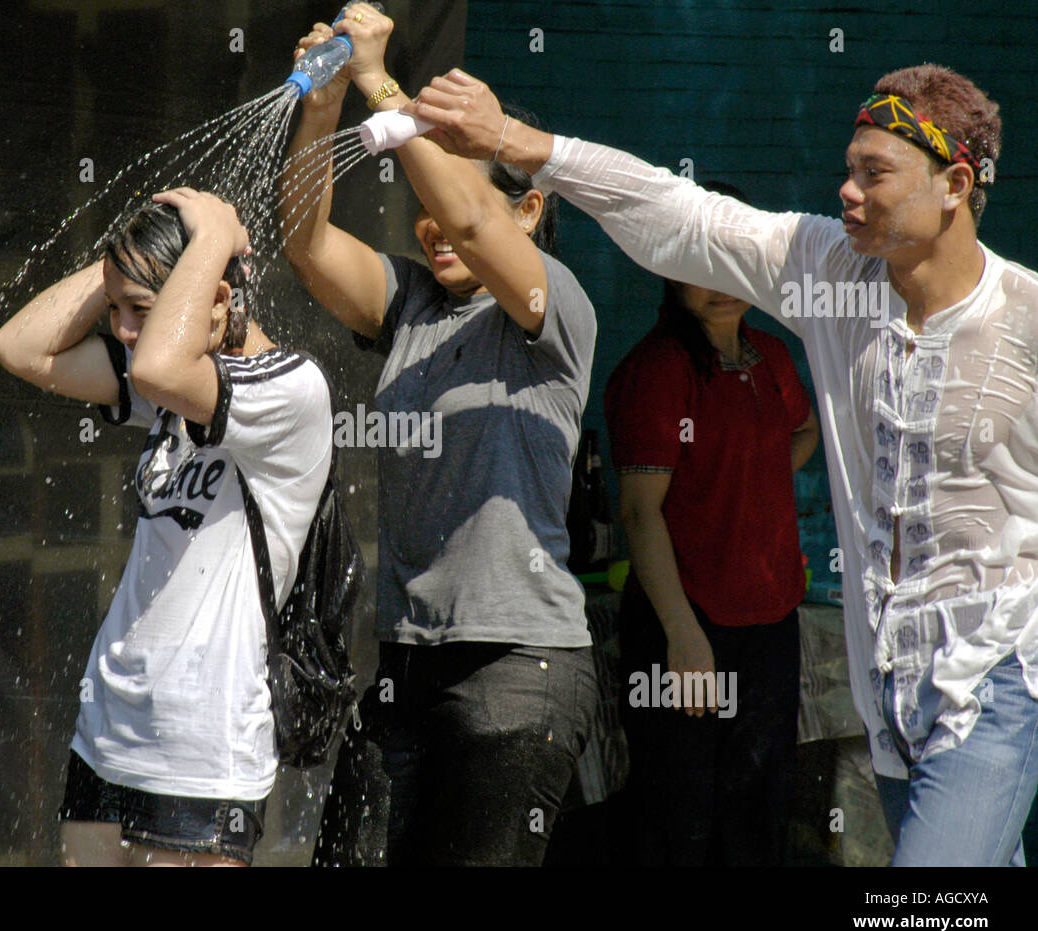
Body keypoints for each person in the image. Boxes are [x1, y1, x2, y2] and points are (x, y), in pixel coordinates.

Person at [408, 64, 1038, 866]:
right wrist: (518, 144)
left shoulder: (1026, 320)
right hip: (890, 694)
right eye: (848, 168)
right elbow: (681, 216)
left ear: (954, 183)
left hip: (996, 676)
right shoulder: (829, 273)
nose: (847, 190)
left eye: (874, 173)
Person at [279, 5, 599, 866]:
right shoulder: (411, 303)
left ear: (527, 209)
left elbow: (469, 223)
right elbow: (304, 245)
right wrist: (325, 98)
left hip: (519, 667)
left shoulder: (552, 305)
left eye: (451, 182)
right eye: (420, 199)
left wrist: (384, 84)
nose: (432, 217)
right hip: (406, 658)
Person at [0, 189, 332, 866]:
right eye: (116, 311)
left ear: (220, 298)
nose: (121, 328)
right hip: (110, 726)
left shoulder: (291, 390)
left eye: (141, 311)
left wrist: (208, 241)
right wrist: (129, 262)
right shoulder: (170, 389)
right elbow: (19, 347)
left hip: (202, 745)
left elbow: (155, 366)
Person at [603, 184, 820, 864]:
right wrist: (683, 635)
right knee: (683, 822)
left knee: (761, 815)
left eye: (732, 261)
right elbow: (639, 512)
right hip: (689, 630)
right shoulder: (659, 373)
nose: (718, 283)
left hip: (771, 626)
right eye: (699, 263)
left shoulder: (772, 358)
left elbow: (805, 428)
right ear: (670, 268)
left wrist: (750, 483)